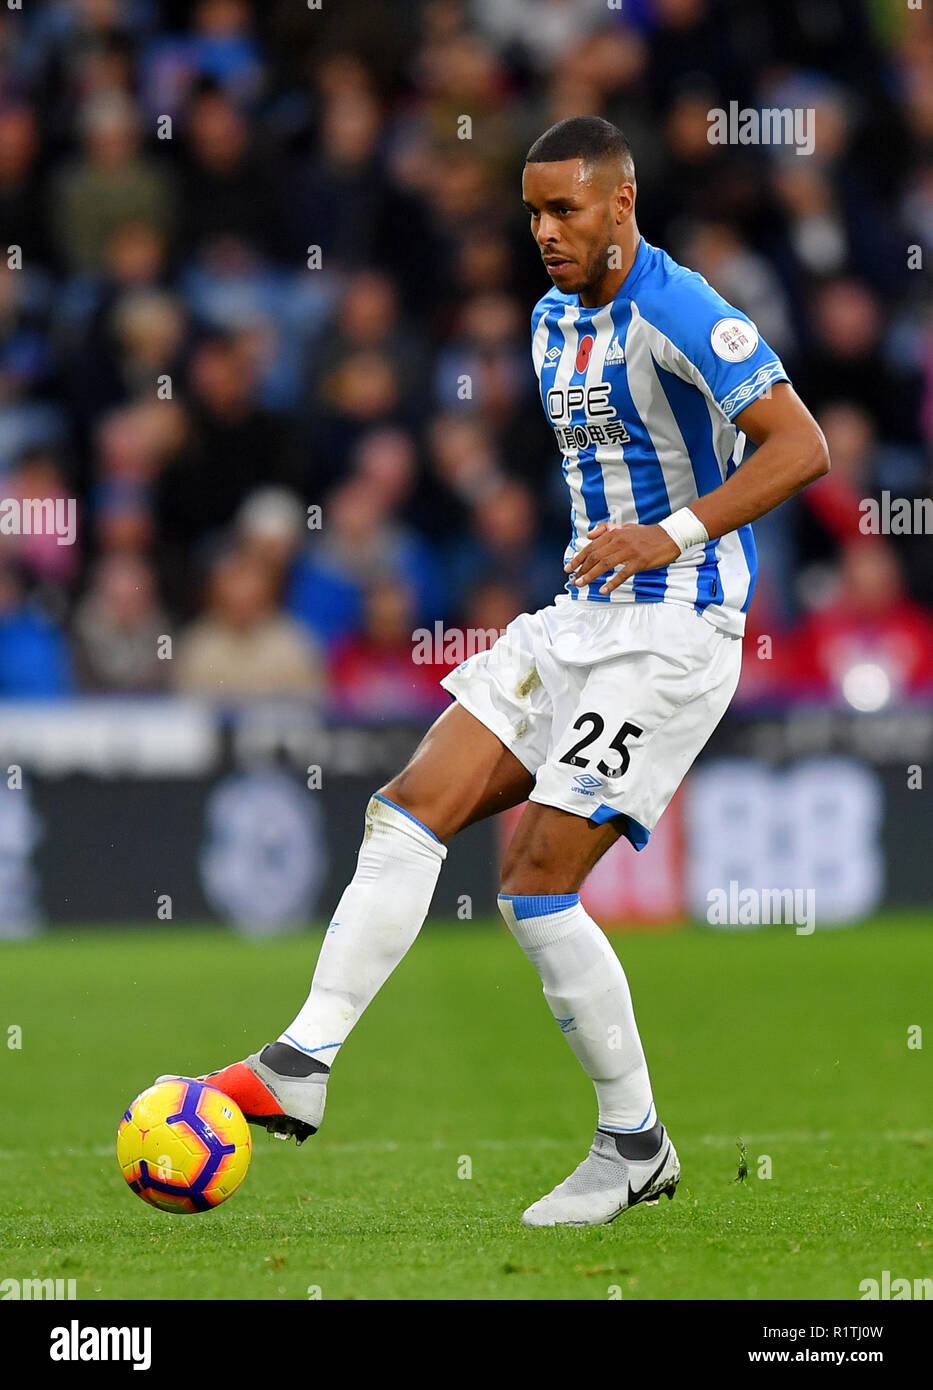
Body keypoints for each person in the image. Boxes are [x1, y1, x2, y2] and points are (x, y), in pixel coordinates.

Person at [163, 117, 829, 1227]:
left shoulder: (682, 309)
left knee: (533, 884)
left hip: (674, 632)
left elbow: (801, 446)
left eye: (565, 209)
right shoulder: (549, 319)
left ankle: (634, 1144)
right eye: (531, 212)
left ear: (621, 203)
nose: (545, 231)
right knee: (406, 809)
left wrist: (668, 535)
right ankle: (300, 1061)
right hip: (579, 622)